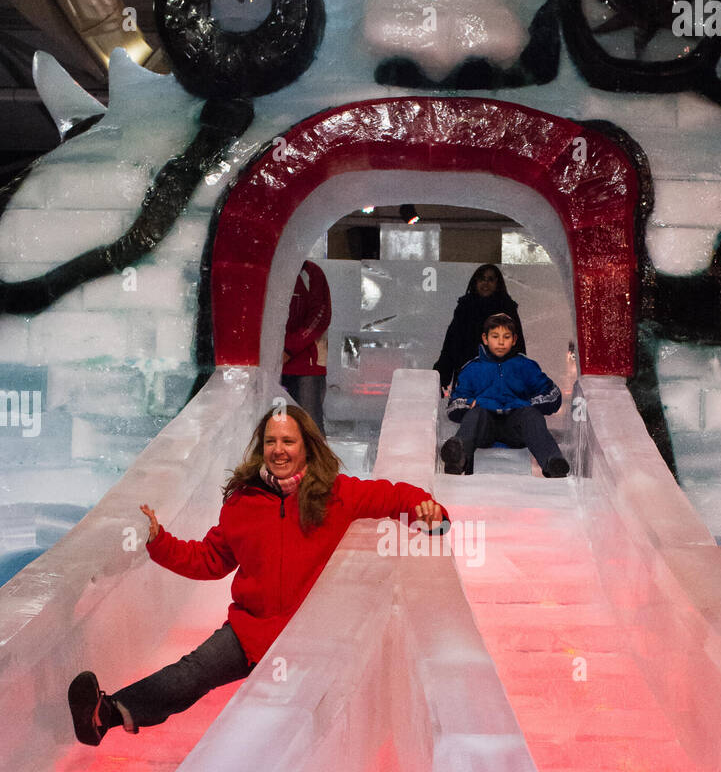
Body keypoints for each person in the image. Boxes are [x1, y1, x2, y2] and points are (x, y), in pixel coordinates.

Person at [67, 405, 449, 746]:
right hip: (251, 630)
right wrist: (160, 541)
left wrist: (429, 513)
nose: (279, 450)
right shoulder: (243, 501)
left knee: (301, 723)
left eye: (288, 441)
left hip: (309, 637)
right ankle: (107, 714)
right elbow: (210, 559)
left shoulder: (337, 494)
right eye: (270, 441)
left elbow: (393, 496)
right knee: (191, 674)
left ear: (306, 447)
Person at [440, 312, 569, 478]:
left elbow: (553, 395)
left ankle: (553, 462)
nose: (501, 342)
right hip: (485, 429)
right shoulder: (473, 369)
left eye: (506, 337)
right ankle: (456, 457)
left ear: (514, 340)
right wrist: (470, 403)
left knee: (531, 415)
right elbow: (454, 404)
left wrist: (530, 404)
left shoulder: (525, 366)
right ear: (485, 339)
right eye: (495, 336)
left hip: (516, 427)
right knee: (476, 413)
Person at [434, 264, 526, 394]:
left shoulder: (507, 308)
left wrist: (518, 377)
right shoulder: (465, 308)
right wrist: (442, 376)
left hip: (500, 379)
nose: (485, 283)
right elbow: (452, 343)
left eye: (490, 279)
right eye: (482, 279)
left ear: (497, 283)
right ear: (475, 281)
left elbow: (518, 345)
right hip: (467, 376)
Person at [280, 259, 330, 432]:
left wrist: (288, 349)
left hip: (306, 367)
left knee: (310, 427)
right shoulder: (269, 271)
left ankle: (319, 459)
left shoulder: (311, 273)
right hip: (273, 365)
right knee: (277, 426)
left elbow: (319, 317)